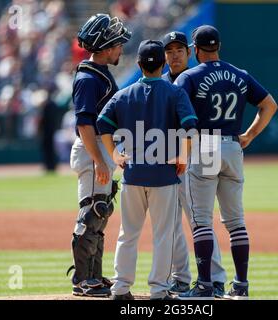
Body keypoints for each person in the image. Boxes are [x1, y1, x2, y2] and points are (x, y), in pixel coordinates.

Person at [175, 25, 278, 300]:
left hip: (205, 143)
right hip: (233, 144)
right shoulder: (240, 74)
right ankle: (241, 285)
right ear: (218, 46)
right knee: (236, 222)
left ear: (195, 49)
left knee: (202, 222)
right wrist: (250, 135)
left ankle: (205, 285)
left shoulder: (189, 76)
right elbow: (269, 105)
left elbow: (174, 111)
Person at [97, 40, 198, 300]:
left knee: (127, 234)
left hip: (133, 174)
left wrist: (114, 154)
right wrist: (183, 155)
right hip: (164, 176)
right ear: (163, 63)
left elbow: (102, 124)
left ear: (139, 64)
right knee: (164, 236)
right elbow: (189, 127)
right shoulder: (175, 93)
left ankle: (120, 288)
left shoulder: (124, 94)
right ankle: (158, 290)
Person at [67, 13, 131, 297]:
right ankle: (83, 279)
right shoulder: (88, 77)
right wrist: (98, 160)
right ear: (105, 47)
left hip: (100, 151)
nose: (120, 48)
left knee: (101, 213)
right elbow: (84, 124)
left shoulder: (99, 74)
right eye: (117, 44)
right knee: (92, 213)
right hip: (92, 149)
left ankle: (94, 274)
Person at [161, 31, 227, 297]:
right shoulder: (161, 82)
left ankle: (216, 278)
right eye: (169, 51)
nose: (174, 55)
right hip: (169, 152)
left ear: (190, 52)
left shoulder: (201, 78)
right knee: (172, 220)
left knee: (201, 220)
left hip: (204, 149)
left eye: (179, 50)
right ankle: (180, 277)